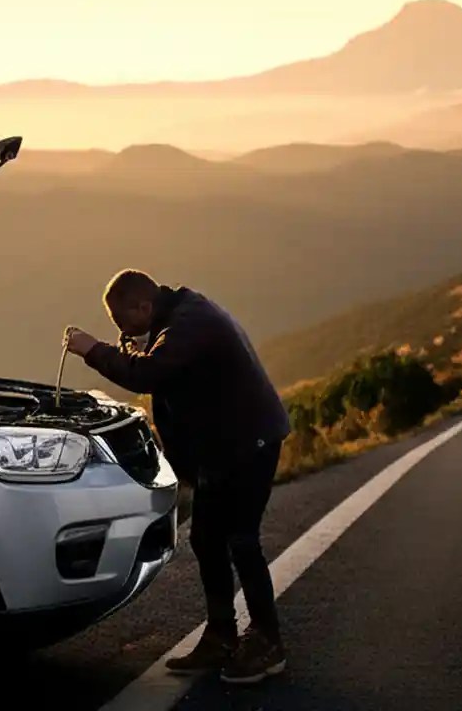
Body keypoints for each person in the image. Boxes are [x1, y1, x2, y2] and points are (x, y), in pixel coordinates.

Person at [64, 269, 291, 684]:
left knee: (241, 539)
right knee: (206, 539)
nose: (122, 332)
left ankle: (267, 642)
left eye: (123, 322)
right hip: (223, 448)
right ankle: (222, 635)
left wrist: (93, 350)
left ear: (143, 306)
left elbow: (149, 374)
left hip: (250, 442)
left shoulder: (192, 323)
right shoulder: (176, 318)